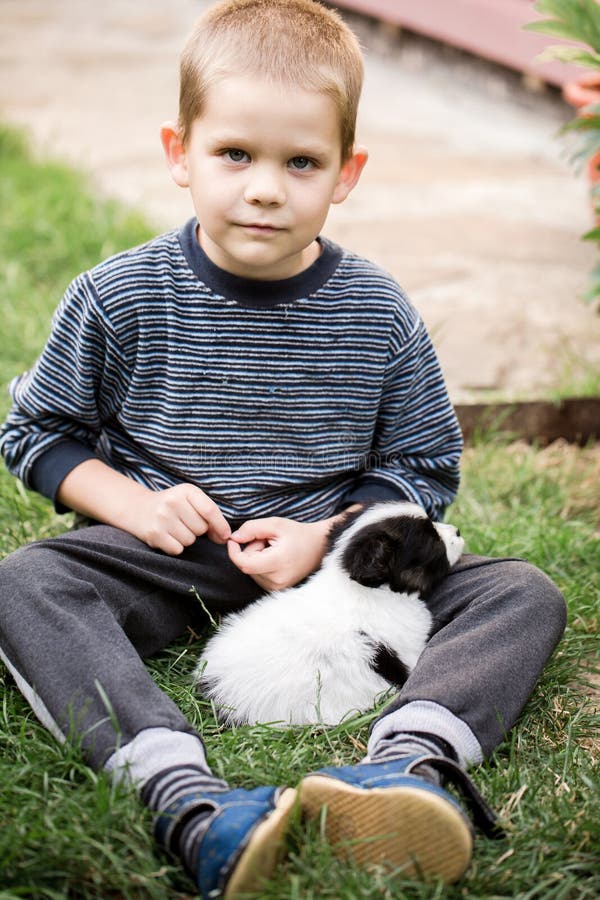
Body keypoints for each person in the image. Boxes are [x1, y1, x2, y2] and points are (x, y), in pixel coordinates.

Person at [0, 0, 566, 896]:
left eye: (301, 161)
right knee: (26, 583)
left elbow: (422, 465)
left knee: (520, 594)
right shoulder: (119, 297)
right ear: (178, 152)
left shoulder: (376, 313)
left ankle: (411, 766)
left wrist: (329, 538)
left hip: (333, 574)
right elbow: (36, 434)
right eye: (235, 154)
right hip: (164, 560)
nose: (265, 187)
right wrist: (135, 506)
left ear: (347, 172)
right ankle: (182, 793)